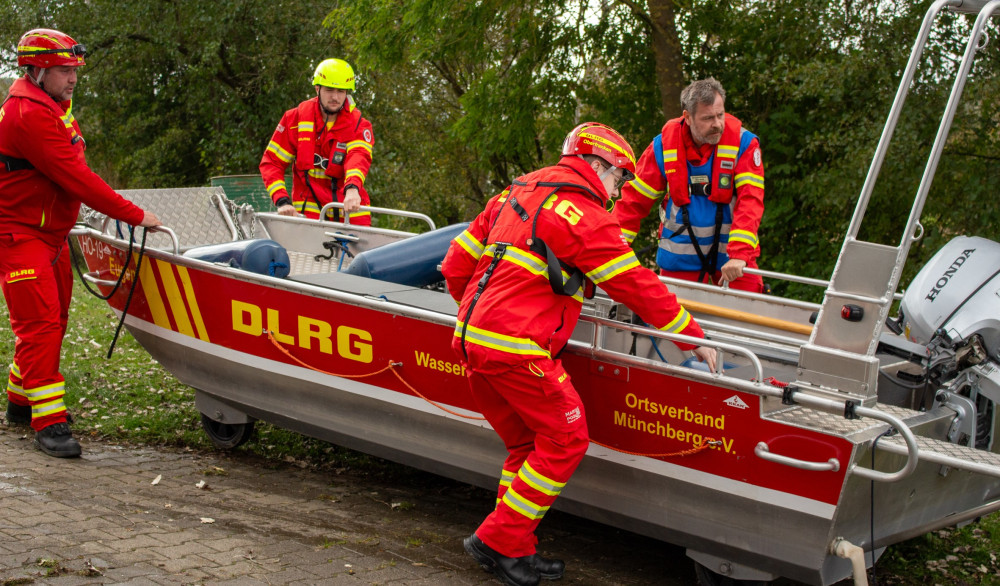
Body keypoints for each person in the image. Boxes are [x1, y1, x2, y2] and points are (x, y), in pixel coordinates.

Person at [442, 122, 716, 586]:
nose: (617, 192)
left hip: (474, 342)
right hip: (517, 349)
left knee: (528, 447)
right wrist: (693, 335)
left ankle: (515, 551)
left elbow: (455, 266)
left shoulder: (518, 192)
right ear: (597, 165)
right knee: (567, 439)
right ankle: (495, 541)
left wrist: (482, 320)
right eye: (618, 179)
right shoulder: (581, 213)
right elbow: (634, 284)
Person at [0, 28, 162, 458]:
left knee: (53, 321)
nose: (72, 78)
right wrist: (135, 215)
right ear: (36, 70)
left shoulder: (53, 105)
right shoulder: (28, 114)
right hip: (19, 236)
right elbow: (78, 178)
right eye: (63, 70)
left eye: (74, 70)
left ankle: (20, 401)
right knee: (41, 325)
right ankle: (48, 423)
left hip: (49, 236)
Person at [613, 77, 766, 293]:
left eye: (720, 115)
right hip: (680, 255)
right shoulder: (663, 147)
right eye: (708, 118)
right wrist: (612, 250)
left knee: (751, 311)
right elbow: (632, 203)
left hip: (732, 256)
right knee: (670, 318)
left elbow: (751, 200)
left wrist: (740, 254)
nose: (717, 124)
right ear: (688, 117)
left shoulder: (744, 143)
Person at [259, 58, 374, 224]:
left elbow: (358, 157)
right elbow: (272, 163)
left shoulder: (359, 125)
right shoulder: (294, 119)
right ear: (317, 88)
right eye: (329, 90)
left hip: (349, 209)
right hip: (309, 211)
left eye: (341, 91)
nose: (335, 97)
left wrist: (353, 188)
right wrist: (282, 201)